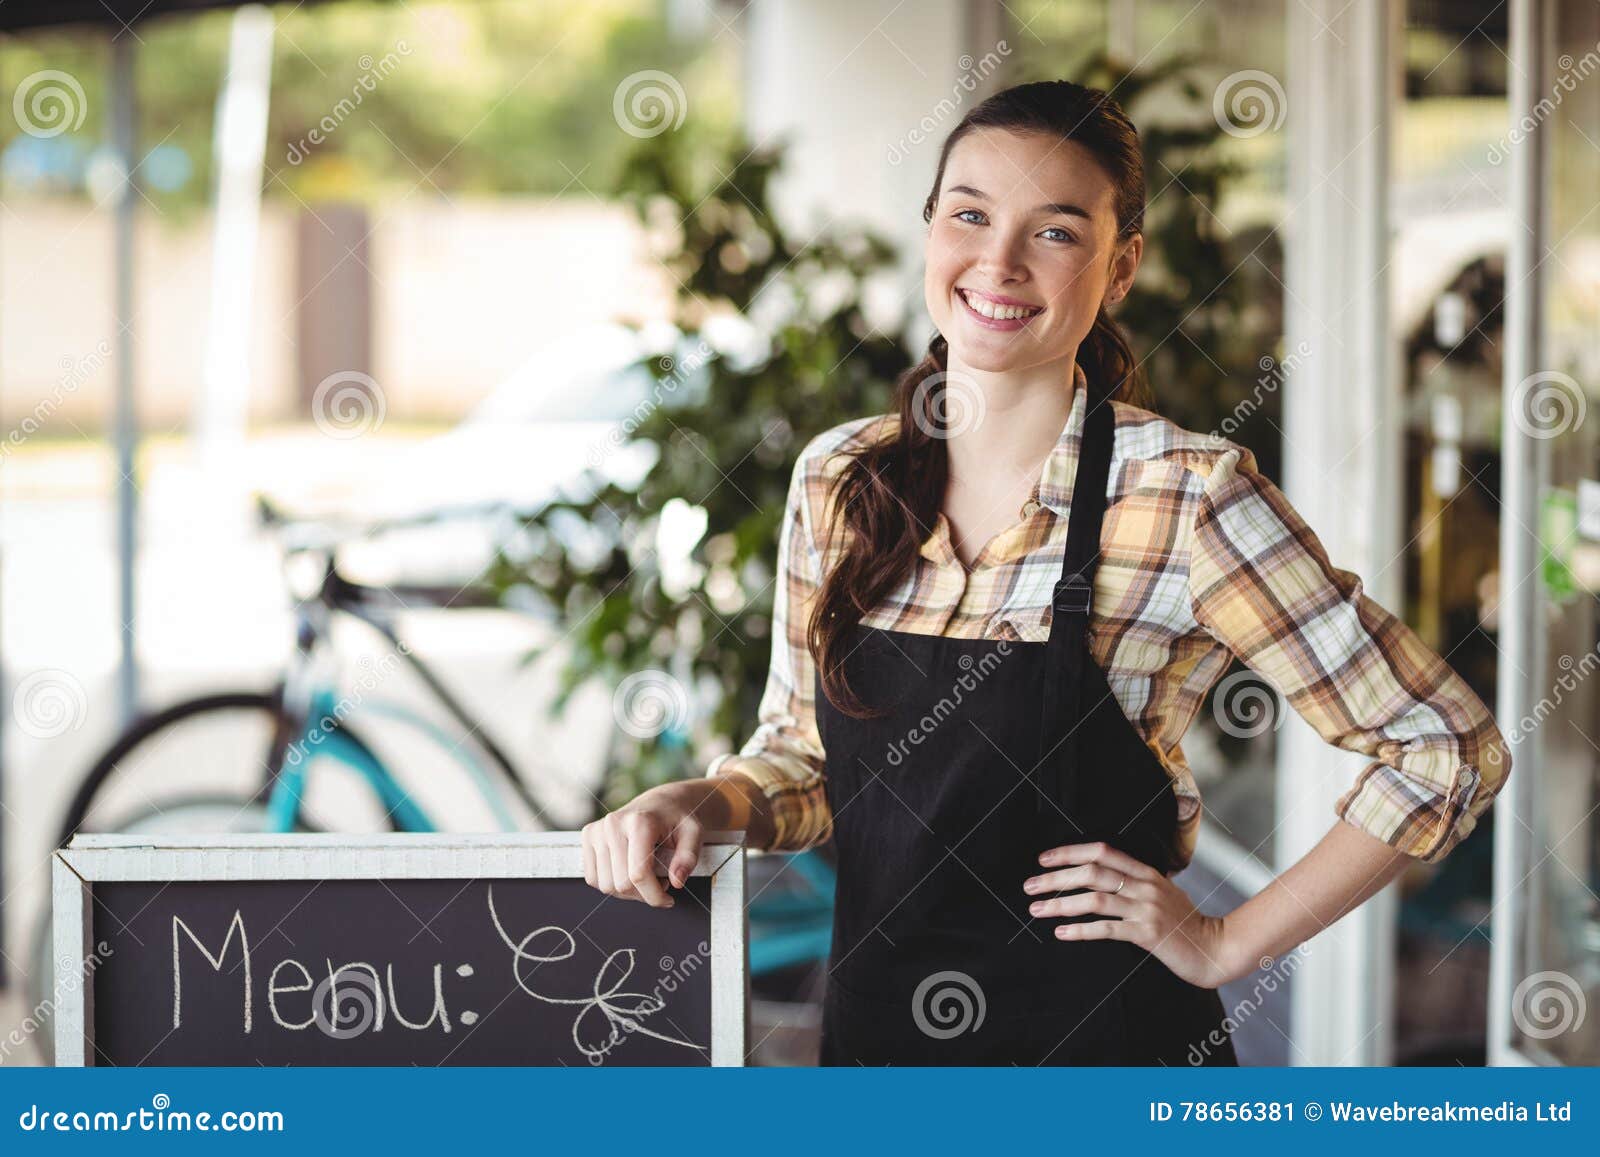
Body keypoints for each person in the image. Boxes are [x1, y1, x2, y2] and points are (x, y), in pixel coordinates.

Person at [581, 79, 1511, 1066]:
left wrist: (1225, 939)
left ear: (1119, 270)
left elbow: (1442, 744)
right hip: (881, 1051)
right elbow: (805, 760)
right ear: (930, 230)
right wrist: (707, 801)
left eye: (1056, 232)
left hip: (1106, 1061)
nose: (999, 259)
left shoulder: (1184, 496)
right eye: (969, 214)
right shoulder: (840, 479)